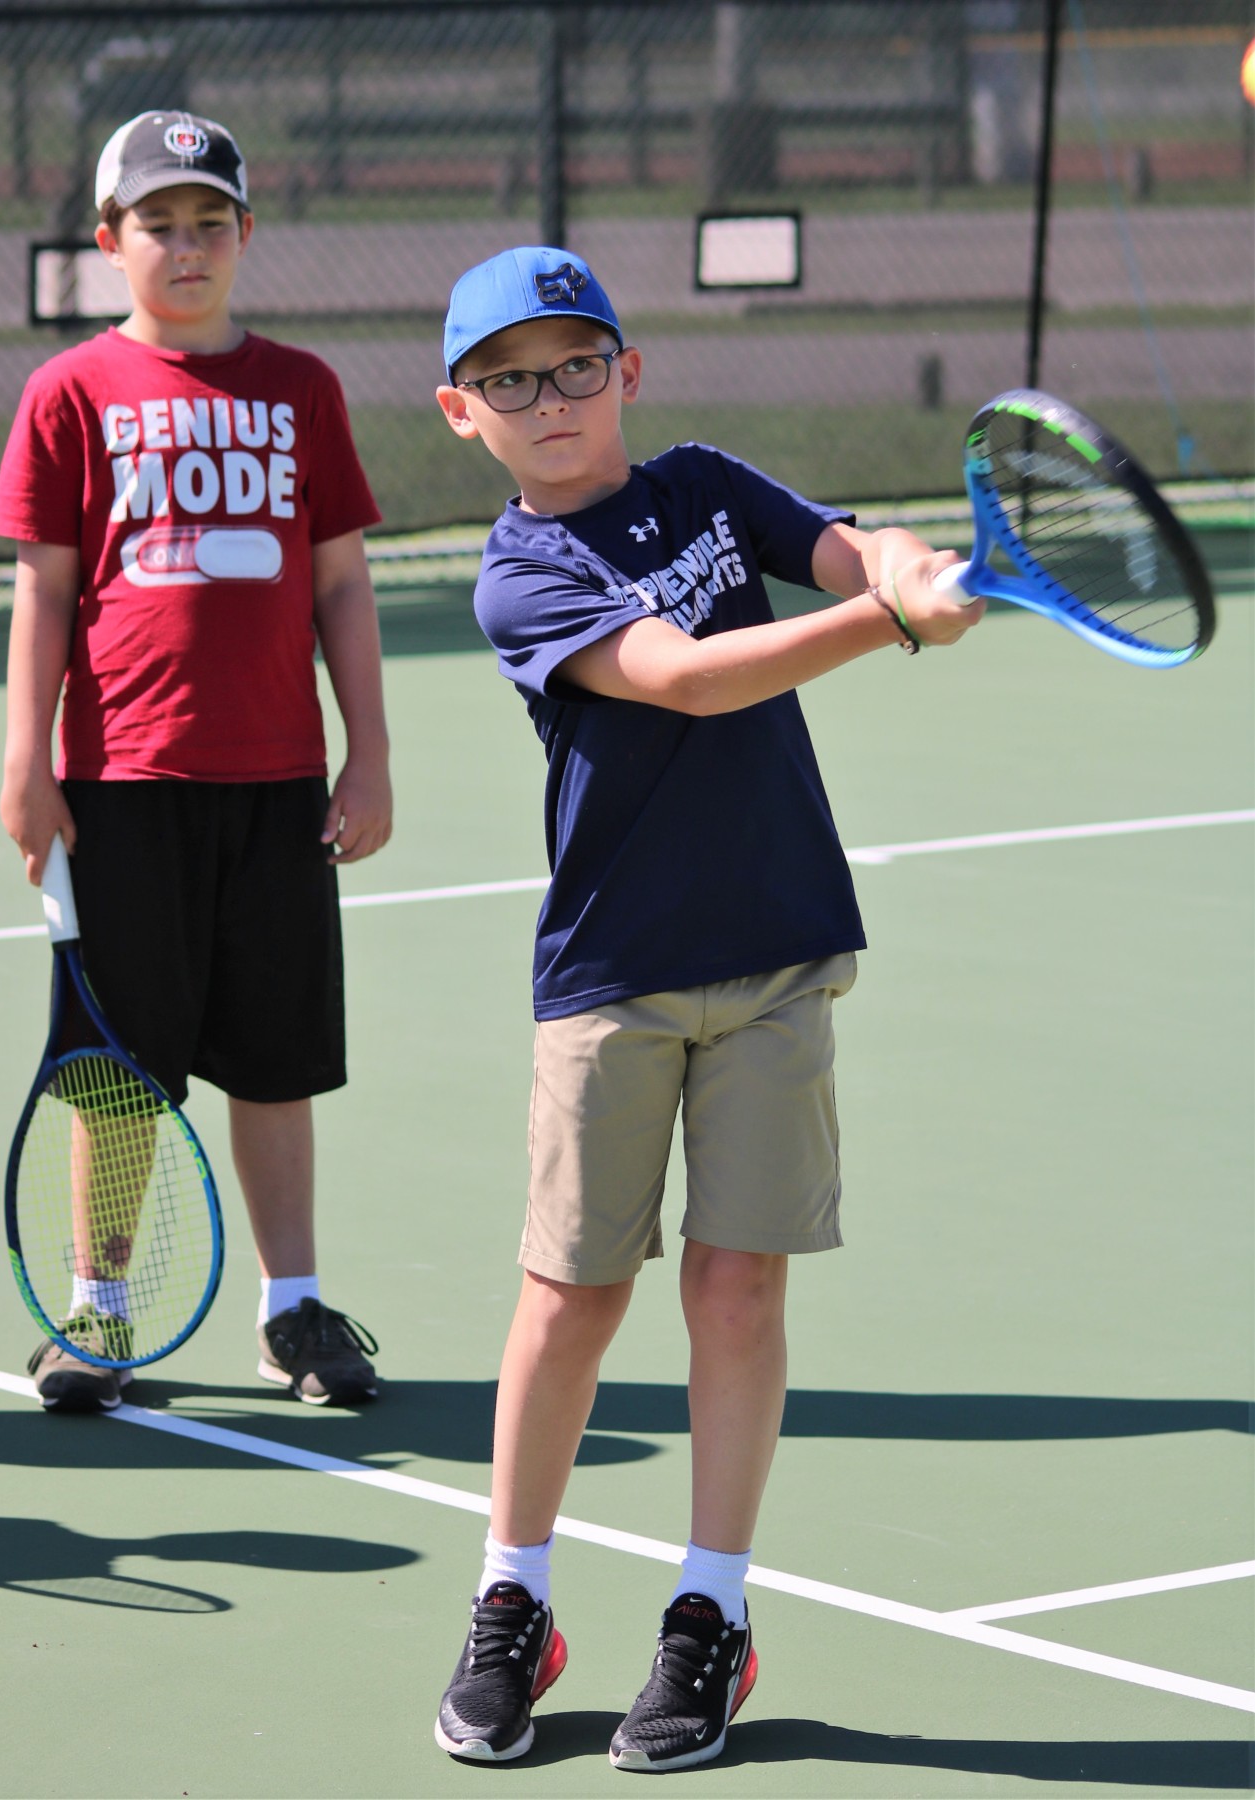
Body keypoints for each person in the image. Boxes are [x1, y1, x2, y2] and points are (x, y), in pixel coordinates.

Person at [428, 246, 983, 1772]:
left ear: (629, 370)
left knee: (737, 1296)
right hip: (609, 977)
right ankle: (512, 1597)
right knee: (569, 1300)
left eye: (573, 364)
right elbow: (679, 676)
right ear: (461, 413)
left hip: (777, 957)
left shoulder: (708, 485)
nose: (548, 400)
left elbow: (840, 546)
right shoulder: (519, 572)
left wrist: (904, 568)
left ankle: (709, 1618)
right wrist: (894, 627)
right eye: (507, 380)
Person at [0, 111, 393, 1413]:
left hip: (277, 788)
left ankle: (292, 1311)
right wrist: (24, 757)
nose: (185, 245)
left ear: (245, 237)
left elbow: (340, 585)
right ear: (108, 243)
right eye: (156, 225)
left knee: (276, 1064)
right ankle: (99, 1310)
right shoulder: (70, 392)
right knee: (117, 1073)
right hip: (120, 785)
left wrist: (367, 750)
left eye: (208, 222)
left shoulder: (302, 390)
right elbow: (45, 594)